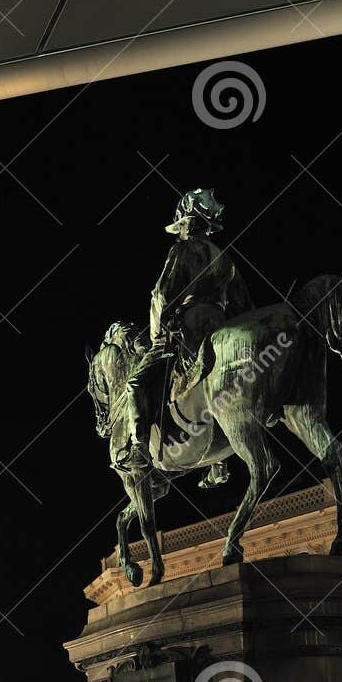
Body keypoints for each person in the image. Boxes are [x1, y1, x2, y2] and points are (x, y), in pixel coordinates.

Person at [123, 188, 251, 479]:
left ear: (185, 223)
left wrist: (160, 329)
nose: (181, 231)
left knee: (134, 383)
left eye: (181, 226)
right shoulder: (225, 259)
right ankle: (219, 460)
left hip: (188, 328)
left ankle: (138, 446)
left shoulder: (182, 250)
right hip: (222, 327)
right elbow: (244, 306)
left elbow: (164, 293)